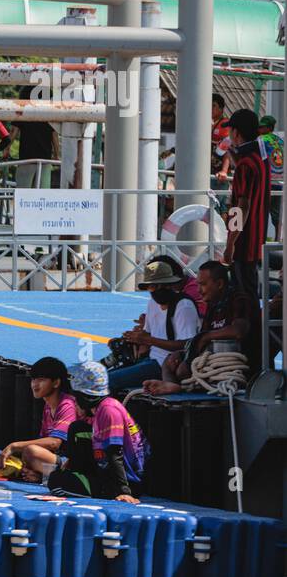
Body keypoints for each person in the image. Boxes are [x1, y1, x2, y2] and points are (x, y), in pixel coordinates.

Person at [145, 260, 261, 395]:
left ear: (219, 284)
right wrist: (189, 357)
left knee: (183, 369)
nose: (198, 290)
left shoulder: (239, 299)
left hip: (234, 364)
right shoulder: (213, 304)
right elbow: (201, 337)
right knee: (171, 360)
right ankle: (172, 385)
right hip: (210, 358)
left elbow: (238, 331)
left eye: (203, 284)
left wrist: (206, 337)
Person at [46, 361, 146, 503]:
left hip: (125, 483)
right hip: (104, 470)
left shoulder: (109, 410)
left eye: (76, 394)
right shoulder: (97, 410)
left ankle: (109, 490)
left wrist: (123, 491)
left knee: (56, 482)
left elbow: (114, 453)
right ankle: (78, 475)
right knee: (77, 428)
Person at [102, 257, 202, 390]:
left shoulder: (183, 306)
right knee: (104, 377)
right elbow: (148, 333)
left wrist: (148, 340)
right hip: (151, 360)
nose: (158, 290)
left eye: (163, 285)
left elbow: (187, 344)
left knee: (108, 382)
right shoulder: (152, 303)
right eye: (154, 286)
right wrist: (134, 337)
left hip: (166, 366)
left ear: (171, 285)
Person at [0, 357, 76, 483]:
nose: (35, 384)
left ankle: (51, 478)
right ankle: (43, 477)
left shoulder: (67, 405)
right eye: (33, 379)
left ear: (56, 383)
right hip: (59, 461)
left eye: (41, 379)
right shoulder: (48, 407)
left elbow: (54, 443)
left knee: (31, 451)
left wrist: (14, 446)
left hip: (75, 464)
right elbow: (45, 444)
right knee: (23, 456)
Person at [223, 108, 270, 295]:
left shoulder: (245, 165)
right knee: (250, 292)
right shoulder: (260, 158)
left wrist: (230, 243)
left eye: (230, 130)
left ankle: (248, 324)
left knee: (242, 295)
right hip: (257, 239)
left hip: (243, 244)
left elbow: (242, 206)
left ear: (236, 132)